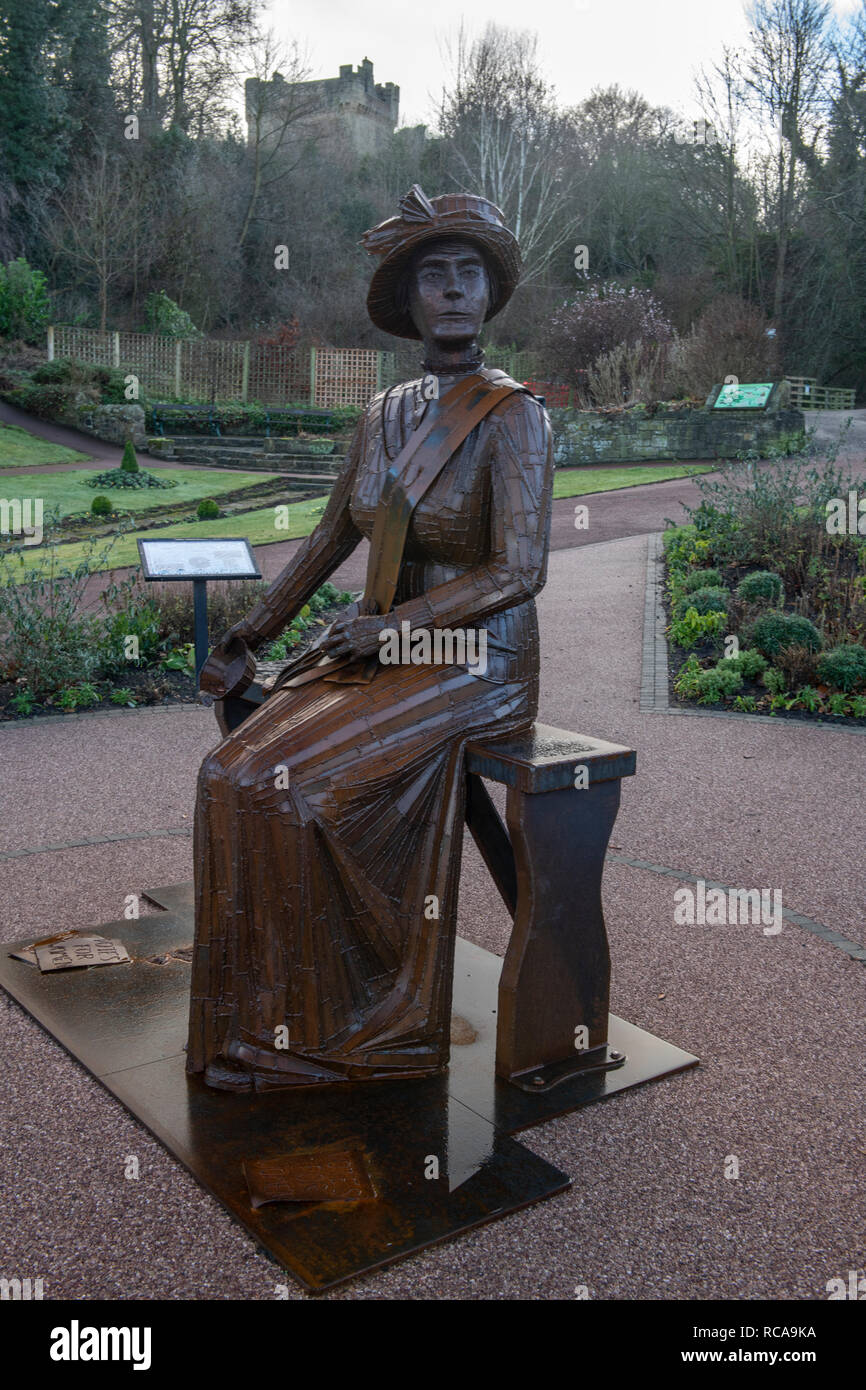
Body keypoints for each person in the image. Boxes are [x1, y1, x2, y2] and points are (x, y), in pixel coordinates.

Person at [187, 185, 554, 1091]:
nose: (455, 292)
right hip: (388, 647)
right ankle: (266, 1012)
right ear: (409, 300)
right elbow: (329, 537)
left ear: (491, 293)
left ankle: (356, 1024)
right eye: (436, 276)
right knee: (232, 773)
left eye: (471, 273)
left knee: (298, 788)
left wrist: (398, 628)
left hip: (479, 661)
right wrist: (251, 629)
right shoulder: (382, 414)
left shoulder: (516, 418)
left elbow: (520, 570)